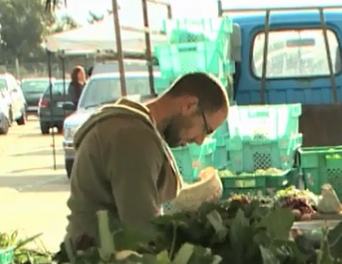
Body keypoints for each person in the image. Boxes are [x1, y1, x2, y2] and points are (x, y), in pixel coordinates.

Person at [65, 72, 230, 248]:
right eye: (206, 129)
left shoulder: (134, 127)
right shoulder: (134, 136)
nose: (199, 141)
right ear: (189, 105)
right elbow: (142, 232)